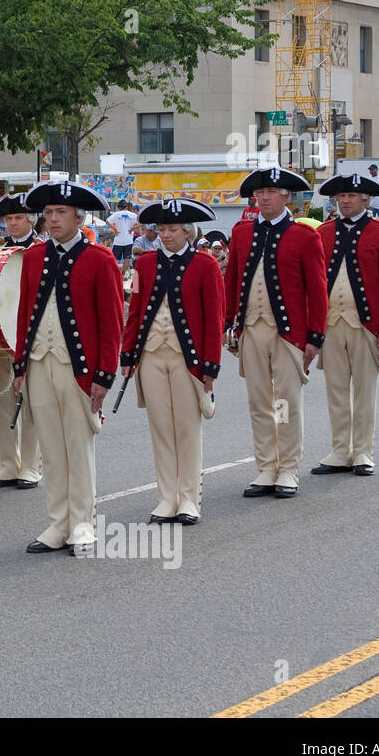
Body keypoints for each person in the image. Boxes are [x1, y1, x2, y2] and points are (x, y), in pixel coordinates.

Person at [12, 180, 122, 556]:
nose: (52, 219)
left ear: (79, 217)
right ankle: (57, 523)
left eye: (60, 213)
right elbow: (25, 312)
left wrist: (104, 375)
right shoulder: (33, 258)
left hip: (79, 368)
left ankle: (83, 524)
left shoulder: (100, 259)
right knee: (51, 448)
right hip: (39, 362)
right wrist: (19, 365)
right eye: (48, 213)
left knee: (78, 446)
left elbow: (111, 323)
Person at [223, 168, 327, 498]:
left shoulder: (304, 236)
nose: (264, 196)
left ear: (286, 196)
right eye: (260, 191)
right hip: (251, 329)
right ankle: (266, 467)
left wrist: (315, 337)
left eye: (271, 191)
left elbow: (318, 290)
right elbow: (233, 281)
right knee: (259, 402)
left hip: (289, 333)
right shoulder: (241, 233)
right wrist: (230, 323)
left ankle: (288, 469)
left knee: (285, 402)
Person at [120, 199, 222, 526]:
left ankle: (189, 499)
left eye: (173, 229)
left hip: (187, 359)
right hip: (150, 354)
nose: (166, 235)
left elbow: (213, 318)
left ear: (187, 231)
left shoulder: (205, 264)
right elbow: (135, 310)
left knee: (187, 429)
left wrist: (210, 367)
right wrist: (128, 353)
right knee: (161, 428)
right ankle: (167, 498)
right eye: (162, 229)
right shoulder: (144, 265)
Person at [311, 175, 379, 479]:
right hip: (331, 323)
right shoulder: (323, 233)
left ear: (365, 199)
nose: (345, 201)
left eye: (352, 195)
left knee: (364, 392)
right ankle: (340, 450)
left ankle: (363, 451)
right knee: (336, 390)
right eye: (341, 196)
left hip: (366, 324)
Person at [0, 192, 42, 491]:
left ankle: (30, 466)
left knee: (31, 402)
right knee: (1, 403)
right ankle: (9, 463)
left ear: (31, 220)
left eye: (18, 218)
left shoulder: (44, 251)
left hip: (31, 338)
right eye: (8, 219)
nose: (12, 224)